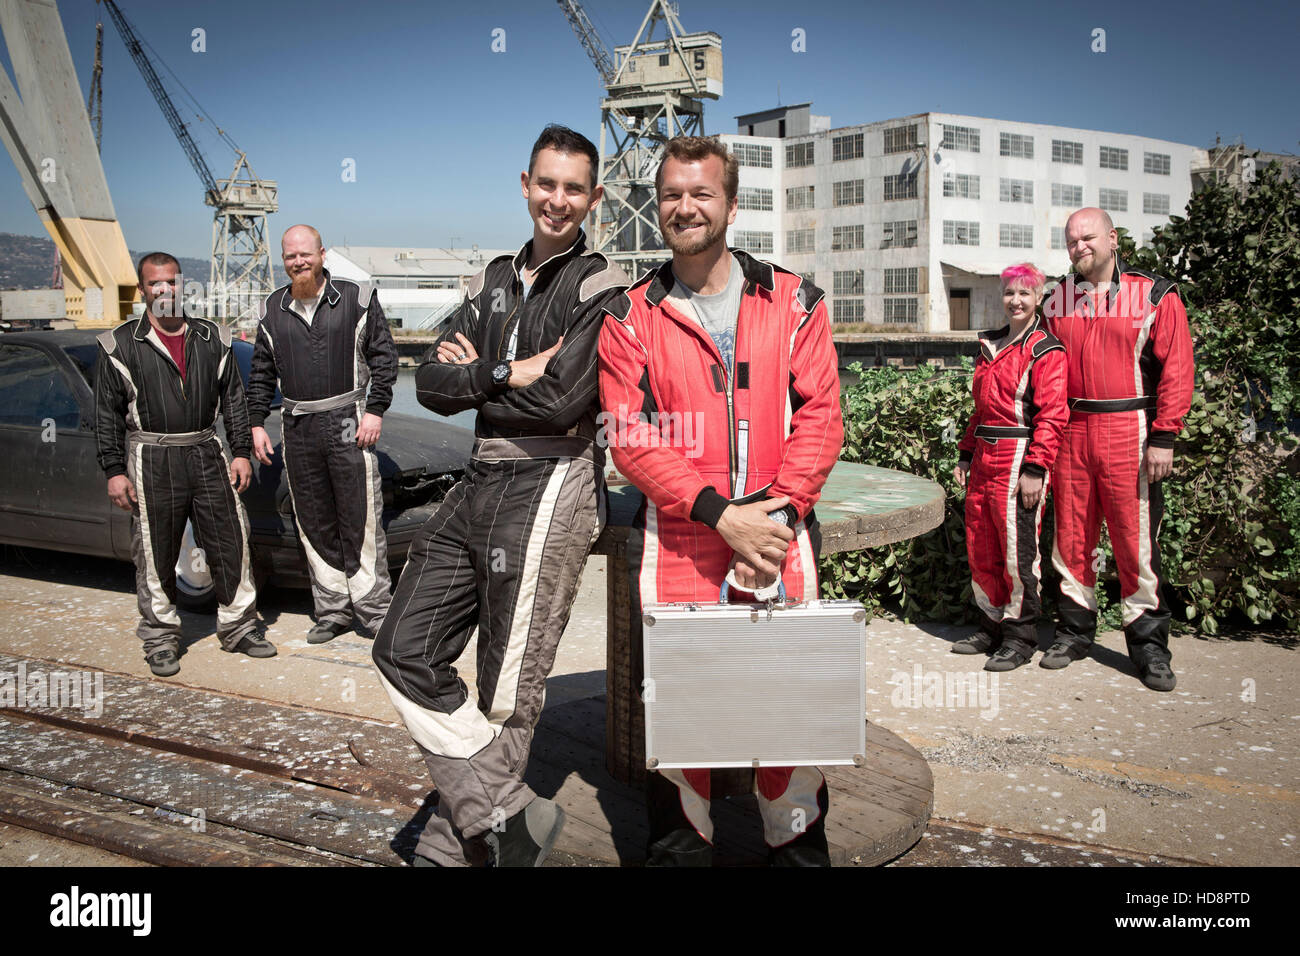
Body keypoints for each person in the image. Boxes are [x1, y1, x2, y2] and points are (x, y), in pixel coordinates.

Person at [371, 125, 629, 867]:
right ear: (524, 184)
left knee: (506, 685)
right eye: (545, 184)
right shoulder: (492, 277)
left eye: (573, 188)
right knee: (402, 647)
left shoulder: (600, 288)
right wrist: (503, 373)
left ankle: (456, 852)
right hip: (480, 474)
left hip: (551, 478)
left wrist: (481, 371)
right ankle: (509, 814)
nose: (557, 200)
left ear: (594, 198)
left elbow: (561, 400)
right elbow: (431, 383)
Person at [598, 135, 844, 866]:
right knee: (682, 724)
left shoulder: (795, 300)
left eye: (701, 193)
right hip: (680, 539)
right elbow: (629, 434)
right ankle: (681, 851)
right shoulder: (629, 313)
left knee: (790, 714)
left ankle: (797, 851)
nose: (685, 207)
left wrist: (780, 513)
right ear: (658, 208)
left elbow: (822, 416)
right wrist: (717, 514)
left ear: (731, 206)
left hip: (776, 534)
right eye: (672, 194)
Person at [96, 252, 272, 677]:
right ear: (142, 290)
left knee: (231, 540)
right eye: (155, 283)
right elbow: (105, 415)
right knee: (156, 551)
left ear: (182, 284)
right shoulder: (118, 344)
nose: (164, 290)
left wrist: (242, 452)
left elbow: (234, 401)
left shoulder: (215, 338)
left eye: (172, 282)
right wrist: (114, 470)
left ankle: (240, 627)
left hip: (207, 451)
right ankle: (160, 638)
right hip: (151, 456)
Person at [1041, 208, 1195, 691]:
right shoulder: (1055, 300)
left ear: (1112, 238)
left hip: (1130, 429)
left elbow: (1177, 369)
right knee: (1070, 538)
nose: (1079, 246)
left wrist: (1165, 436)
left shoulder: (1154, 295)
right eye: (1071, 241)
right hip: (1071, 430)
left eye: (1087, 237)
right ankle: (1074, 631)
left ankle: (1149, 647)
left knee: (1136, 543)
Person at [246, 225, 398, 644]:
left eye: (305, 254)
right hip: (297, 428)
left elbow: (384, 358)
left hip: (350, 420)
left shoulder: (356, 298)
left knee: (361, 520)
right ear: (284, 260)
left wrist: (376, 410)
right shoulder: (271, 310)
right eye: (290, 256)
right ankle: (332, 611)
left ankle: (374, 611)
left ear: (321, 254)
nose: (299, 262)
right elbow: (260, 374)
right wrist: (257, 421)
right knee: (313, 520)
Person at [952, 263, 1068, 670]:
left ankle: (1020, 637)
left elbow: (1053, 415)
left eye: (1025, 293)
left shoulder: (1046, 350)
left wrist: (1036, 468)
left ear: (1039, 297)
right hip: (984, 456)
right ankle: (991, 624)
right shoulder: (990, 345)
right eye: (1009, 293)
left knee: (1018, 552)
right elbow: (979, 410)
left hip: (1019, 457)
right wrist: (966, 455)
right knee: (981, 543)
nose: (1016, 301)